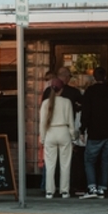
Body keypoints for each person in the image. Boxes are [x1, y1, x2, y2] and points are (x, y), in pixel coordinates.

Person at [79, 65, 108, 199]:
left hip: (95, 132)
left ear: (94, 77)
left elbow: (86, 113)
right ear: (105, 77)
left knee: (89, 160)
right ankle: (102, 188)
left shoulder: (90, 92)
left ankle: (92, 188)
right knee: (105, 161)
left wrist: (82, 128)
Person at [38, 71, 78, 199]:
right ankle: (64, 191)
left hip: (50, 132)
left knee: (50, 164)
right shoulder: (67, 102)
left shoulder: (45, 104)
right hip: (63, 131)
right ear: (61, 90)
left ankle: (49, 191)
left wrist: (42, 137)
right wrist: (73, 136)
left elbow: (42, 122)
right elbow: (71, 121)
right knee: (65, 164)